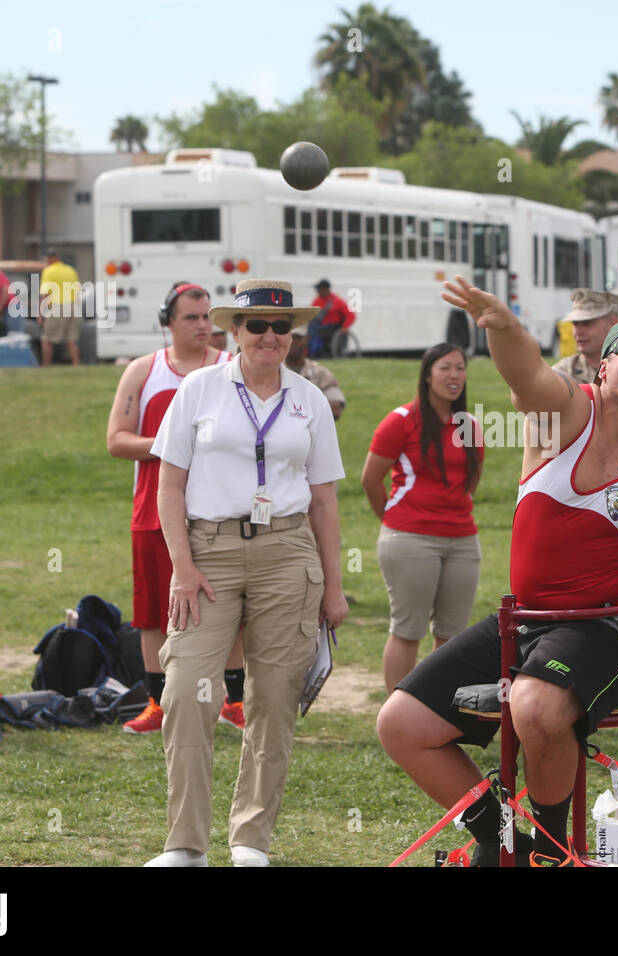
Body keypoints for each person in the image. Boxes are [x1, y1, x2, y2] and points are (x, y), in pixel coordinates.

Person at [376, 277, 618, 867]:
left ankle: (549, 853)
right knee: (399, 724)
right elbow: (525, 374)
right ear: (603, 366)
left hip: (610, 628)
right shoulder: (563, 412)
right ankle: (514, 841)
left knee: (532, 705)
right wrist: (504, 327)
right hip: (525, 621)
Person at [146, 278, 347, 867]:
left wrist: (333, 587)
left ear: (292, 335)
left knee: (275, 696)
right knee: (186, 692)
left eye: (281, 327)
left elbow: (325, 501)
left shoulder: (308, 398)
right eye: (256, 325)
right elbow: (170, 485)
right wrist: (182, 567)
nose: (269, 336)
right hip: (207, 552)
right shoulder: (198, 390)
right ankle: (185, 845)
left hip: (288, 551)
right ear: (233, 331)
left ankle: (250, 839)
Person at [106, 281, 248, 736]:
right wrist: (173, 446)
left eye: (208, 316)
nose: (203, 325)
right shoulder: (143, 371)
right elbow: (116, 440)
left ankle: (236, 700)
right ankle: (158, 702)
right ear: (168, 321)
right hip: (153, 509)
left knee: (229, 604)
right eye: (191, 317)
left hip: (220, 509)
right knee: (153, 610)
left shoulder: (231, 367)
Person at [361, 343, 483, 693]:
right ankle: (398, 717)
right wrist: (392, 519)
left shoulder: (470, 425)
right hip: (410, 538)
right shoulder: (400, 421)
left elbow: (470, 481)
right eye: (445, 368)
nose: (454, 375)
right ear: (428, 375)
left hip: (462, 539)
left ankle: (437, 713)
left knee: (453, 635)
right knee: (407, 630)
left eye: (460, 368)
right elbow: (370, 480)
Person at [552, 289, 618, 384]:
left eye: (587, 323)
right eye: (575, 324)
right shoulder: (564, 372)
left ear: (613, 324)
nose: (578, 332)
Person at [284, 324, 346, 419]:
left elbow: (336, 409)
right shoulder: (271, 371)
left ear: (307, 339)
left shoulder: (321, 373)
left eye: (298, 338)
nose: (294, 342)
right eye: (291, 337)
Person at [39, 250, 82, 367]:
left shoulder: (48, 271)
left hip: (58, 307)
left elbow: (45, 294)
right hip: (73, 306)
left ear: (51, 259)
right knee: (71, 340)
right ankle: (76, 365)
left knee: (47, 339)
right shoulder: (71, 270)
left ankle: (46, 366)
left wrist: (40, 314)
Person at [308, 279, 355, 358]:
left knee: (317, 332)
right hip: (318, 326)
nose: (317, 291)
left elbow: (351, 315)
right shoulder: (317, 301)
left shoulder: (337, 301)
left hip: (333, 327)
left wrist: (345, 327)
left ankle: (316, 353)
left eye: (319, 289)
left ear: (325, 289)